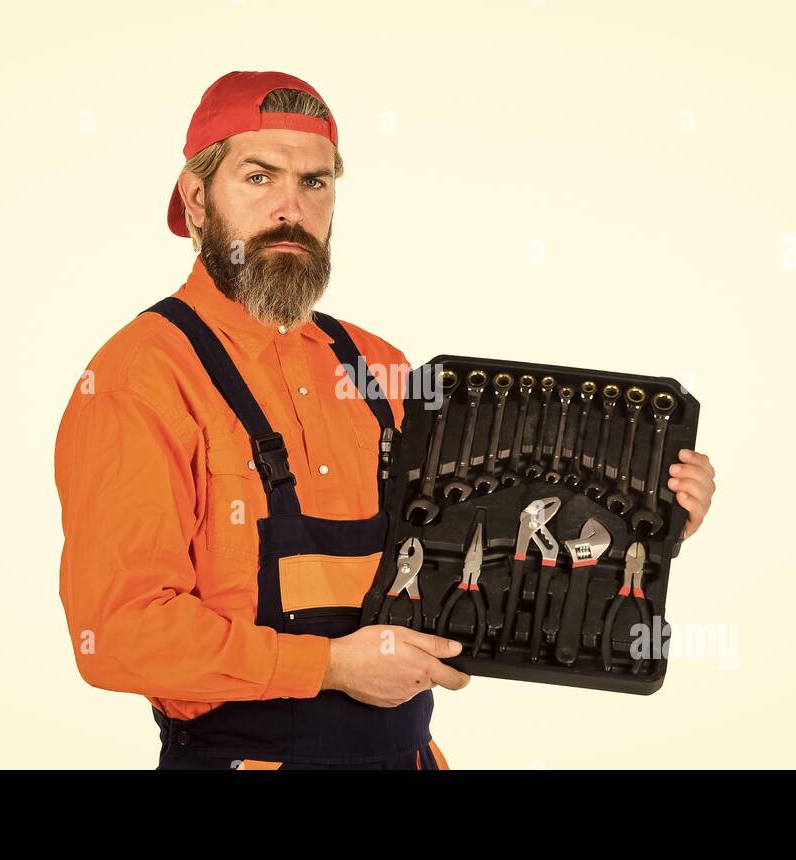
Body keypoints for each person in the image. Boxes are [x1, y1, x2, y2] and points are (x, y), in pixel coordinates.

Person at [54, 71, 717, 770]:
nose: (291, 209)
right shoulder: (141, 378)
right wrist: (331, 667)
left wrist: (648, 515)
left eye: (315, 182)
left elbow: (482, 537)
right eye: (259, 177)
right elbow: (119, 634)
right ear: (196, 199)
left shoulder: (378, 367)